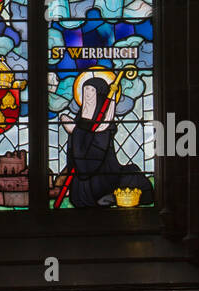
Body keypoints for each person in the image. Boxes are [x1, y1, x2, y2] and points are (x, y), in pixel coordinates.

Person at [58, 76, 154, 207]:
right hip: (81, 177)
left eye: (91, 90)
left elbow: (100, 145)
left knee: (130, 177)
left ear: (99, 94)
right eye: (85, 90)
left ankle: (111, 195)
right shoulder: (80, 118)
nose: (88, 94)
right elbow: (74, 148)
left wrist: (80, 133)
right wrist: (79, 133)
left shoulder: (105, 121)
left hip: (104, 170)